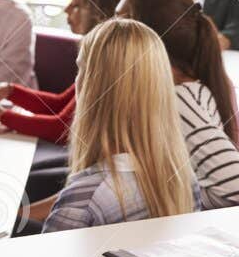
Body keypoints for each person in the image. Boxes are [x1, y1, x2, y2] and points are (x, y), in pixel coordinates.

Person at [0, 0, 153, 144]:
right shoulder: (99, 55)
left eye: (78, 4)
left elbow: (63, 128)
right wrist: (10, 91)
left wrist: (1, 115)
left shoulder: (110, 62)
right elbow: (61, 104)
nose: (67, 9)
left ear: (101, 12)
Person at [43, 19, 199, 233]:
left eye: (80, 70)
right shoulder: (185, 180)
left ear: (92, 87)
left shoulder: (84, 200)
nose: (76, 79)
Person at [116, 0, 239, 208]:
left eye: (119, 20)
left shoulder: (177, 98)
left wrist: (160, 200)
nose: (108, 28)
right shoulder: (175, 89)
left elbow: (238, 191)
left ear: (146, 35)